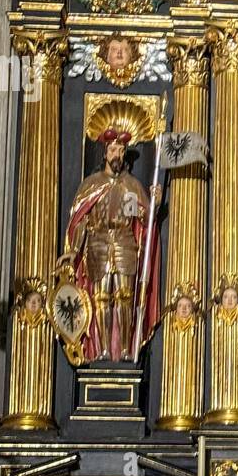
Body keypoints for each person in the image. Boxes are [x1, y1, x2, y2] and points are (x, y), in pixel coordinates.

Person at [61, 124, 161, 361]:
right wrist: (74, 250)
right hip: (99, 242)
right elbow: (81, 219)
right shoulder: (92, 183)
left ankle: (125, 348)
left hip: (125, 241)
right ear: (105, 152)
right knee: (102, 297)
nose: (117, 155)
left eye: (121, 150)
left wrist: (153, 204)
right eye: (113, 150)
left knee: (125, 295)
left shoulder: (132, 184)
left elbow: (145, 220)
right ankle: (104, 349)